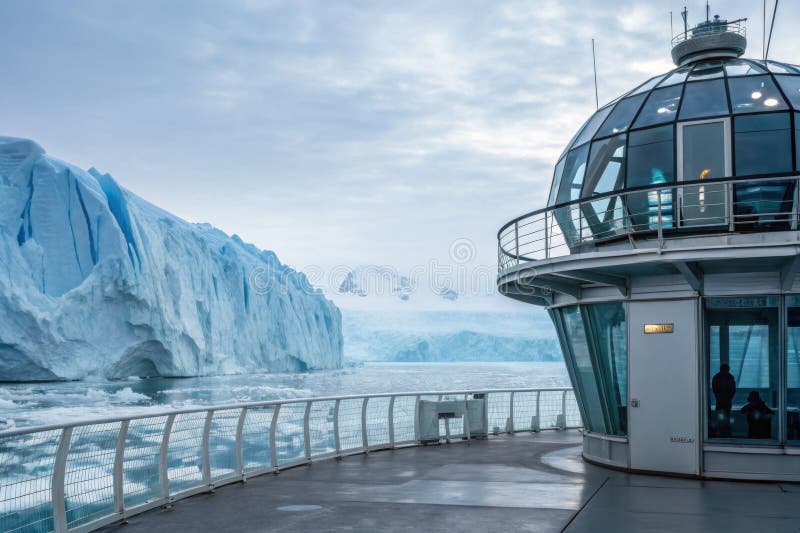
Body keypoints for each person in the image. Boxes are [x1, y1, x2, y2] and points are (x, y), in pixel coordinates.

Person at [711, 364, 736, 437]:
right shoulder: (730, 377)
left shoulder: (716, 377)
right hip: (726, 400)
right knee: (726, 416)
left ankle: (721, 430)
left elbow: (714, 389)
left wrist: (718, 397)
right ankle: (726, 431)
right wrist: (729, 397)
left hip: (720, 400)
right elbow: (733, 389)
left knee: (720, 415)